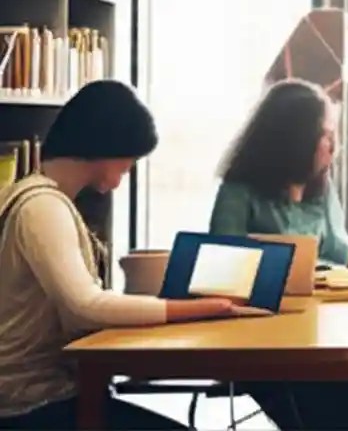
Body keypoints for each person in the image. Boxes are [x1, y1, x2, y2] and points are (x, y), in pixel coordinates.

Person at [0, 81, 234, 430]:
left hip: (49, 394)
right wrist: (203, 308)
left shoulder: (41, 198)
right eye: (130, 161)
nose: (128, 171)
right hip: (33, 404)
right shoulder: (42, 208)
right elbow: (86, 305)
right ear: (107, 145)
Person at [209, 79, 348, 431]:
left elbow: (339, 248)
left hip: (317, 342)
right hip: (263, 348)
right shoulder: (239, 190)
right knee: (334, 420)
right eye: (324, 134)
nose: (333, 145)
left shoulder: (321, 187)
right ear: (294, 138)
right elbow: (221, 268)